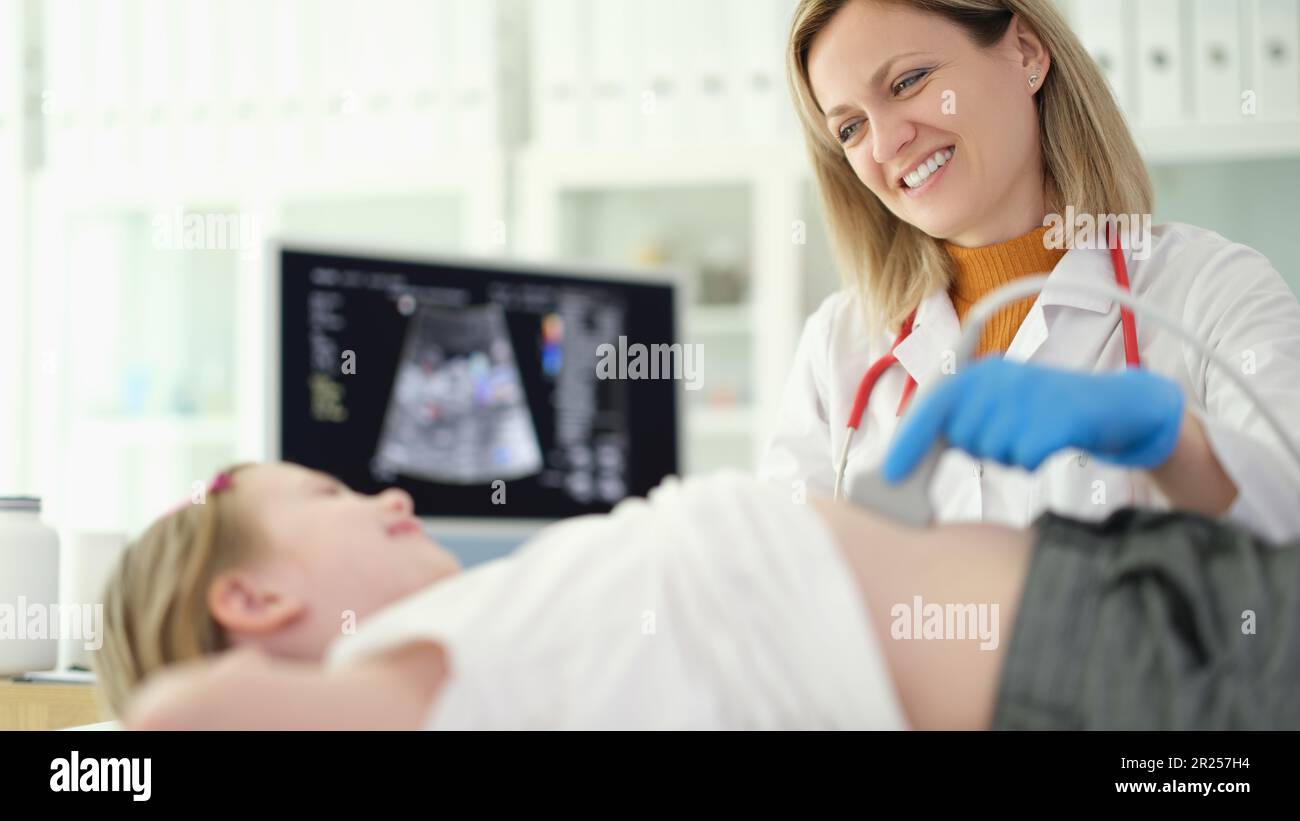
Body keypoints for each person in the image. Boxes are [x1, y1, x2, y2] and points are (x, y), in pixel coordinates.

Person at [98, 462, 1300, 730]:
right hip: (1130, 666)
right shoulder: (392, 683)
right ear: (249, 598)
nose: (390, 492)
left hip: (1126, 601)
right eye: (329, 492)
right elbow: (155, 735)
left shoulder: (468, 645)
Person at [761, 0, 1300, 543]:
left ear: (1026, 53)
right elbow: (775, 585)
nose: (884, 143)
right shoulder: (839, 344)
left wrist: (1169, 441)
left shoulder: (1214, 290)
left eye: (908, 82)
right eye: (851, 127)